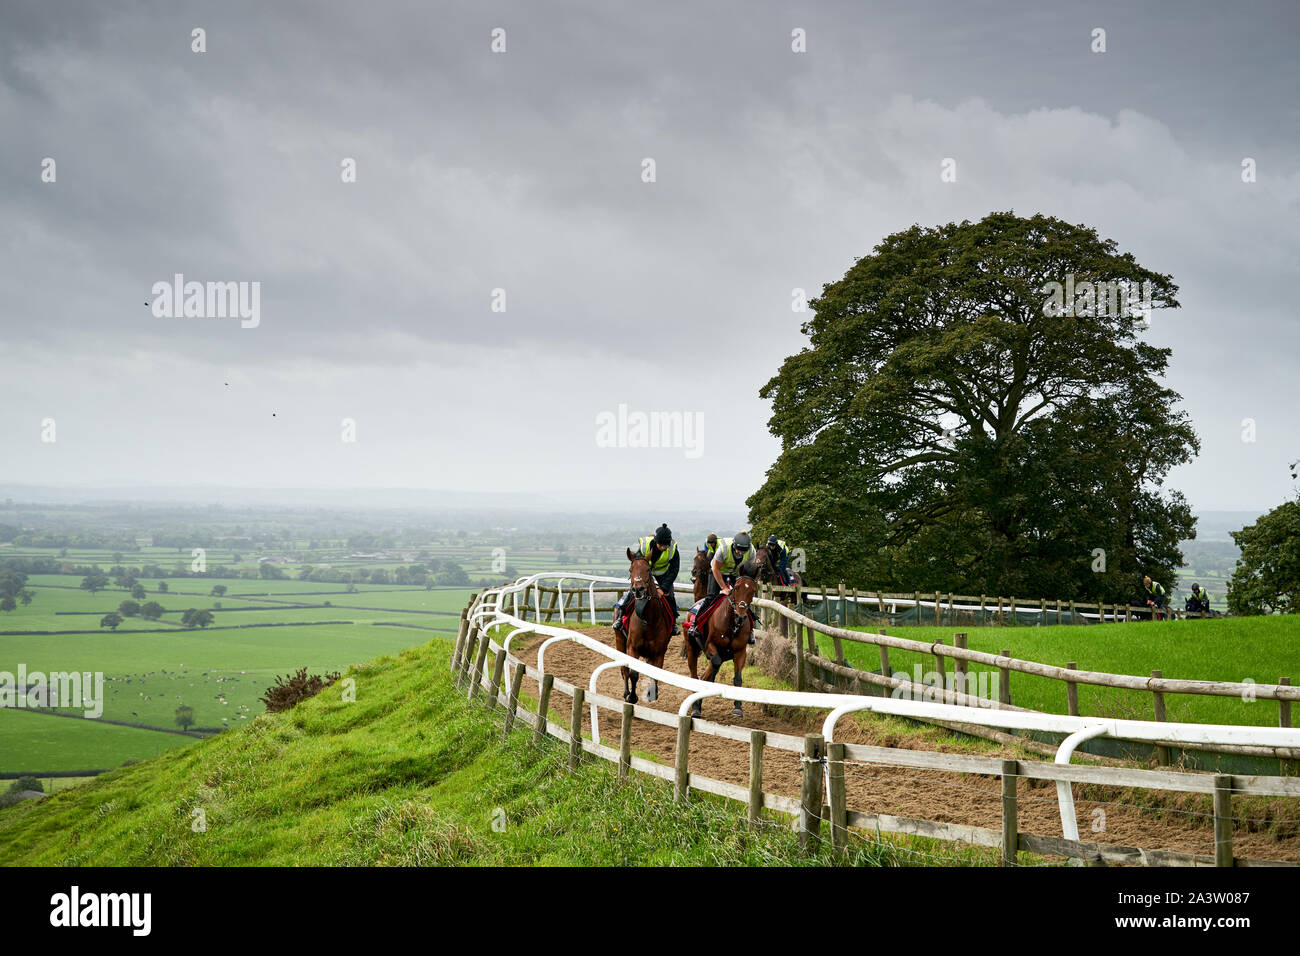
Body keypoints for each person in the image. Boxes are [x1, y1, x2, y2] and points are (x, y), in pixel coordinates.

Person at [687, 532, 757, 644]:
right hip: (718, 572)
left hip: (736, 573)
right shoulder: (723, 549)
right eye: (738, 550)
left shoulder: (752, 552)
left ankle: (751, 629)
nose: (739, 553)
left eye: (742, 552)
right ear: (734, 546)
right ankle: (696, 624)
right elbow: (715, 569)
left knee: (742, 598)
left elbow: (748, 571)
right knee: (711, 598)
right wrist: (724, 587)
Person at [613, 524, 680, 636]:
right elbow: (638, 562)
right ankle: (621, 617)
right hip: (646, 573)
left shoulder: (673, 550)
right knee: (633, 592)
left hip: (664, 575)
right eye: (661, 545)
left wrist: (663, 588)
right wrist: (639, 578)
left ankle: (673, 623)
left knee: (670, 597)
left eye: (666, 545)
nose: (663, 547)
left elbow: (674, 570)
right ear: (656, 541)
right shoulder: (645, 546)